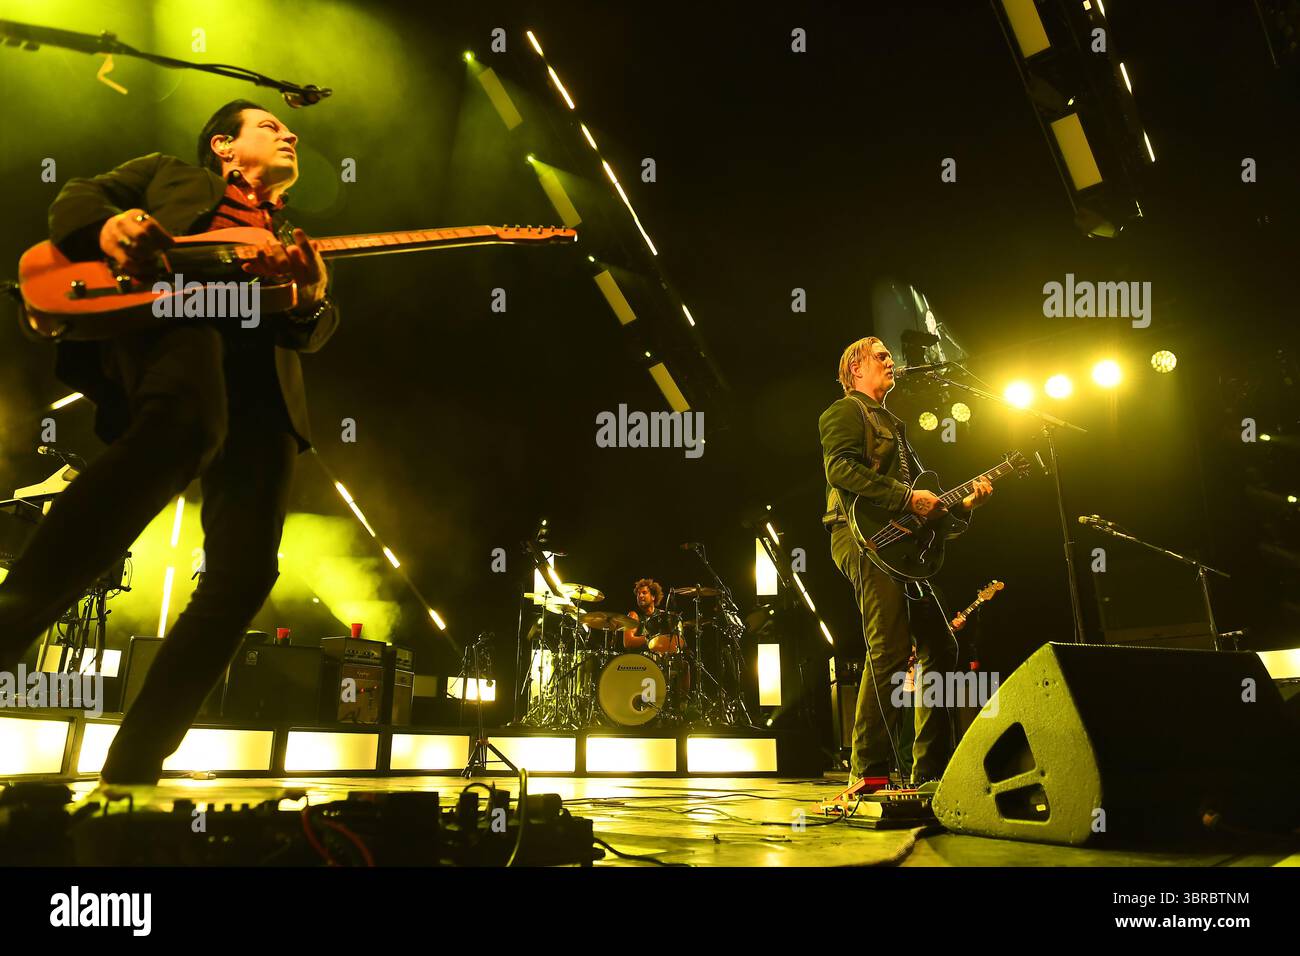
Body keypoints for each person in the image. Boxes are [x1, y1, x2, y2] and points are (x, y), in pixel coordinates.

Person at [0, 100, 338, 788]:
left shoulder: (289, 233)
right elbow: (79, 194)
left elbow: (312, 324)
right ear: (222, 145)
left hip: (264, 390)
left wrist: (306, 298)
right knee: (182, 431)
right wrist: (113, 225)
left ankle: (135, 764)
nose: (290, 132)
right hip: (177, 321)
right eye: (270, 126)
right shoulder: (167, 176)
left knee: (245, 575)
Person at [819, 336, 992, 789]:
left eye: (889, 356)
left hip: (901, 548)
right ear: (855, 369)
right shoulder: (844, 411)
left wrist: (962, 508)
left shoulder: (895, 425)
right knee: (890, 650)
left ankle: (929, 772)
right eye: (880, 356)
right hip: (862, 538)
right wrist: (905, 496)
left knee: (942, 645)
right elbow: (839, 469)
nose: (890, 361)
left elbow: (925, 512)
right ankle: (868, 772)